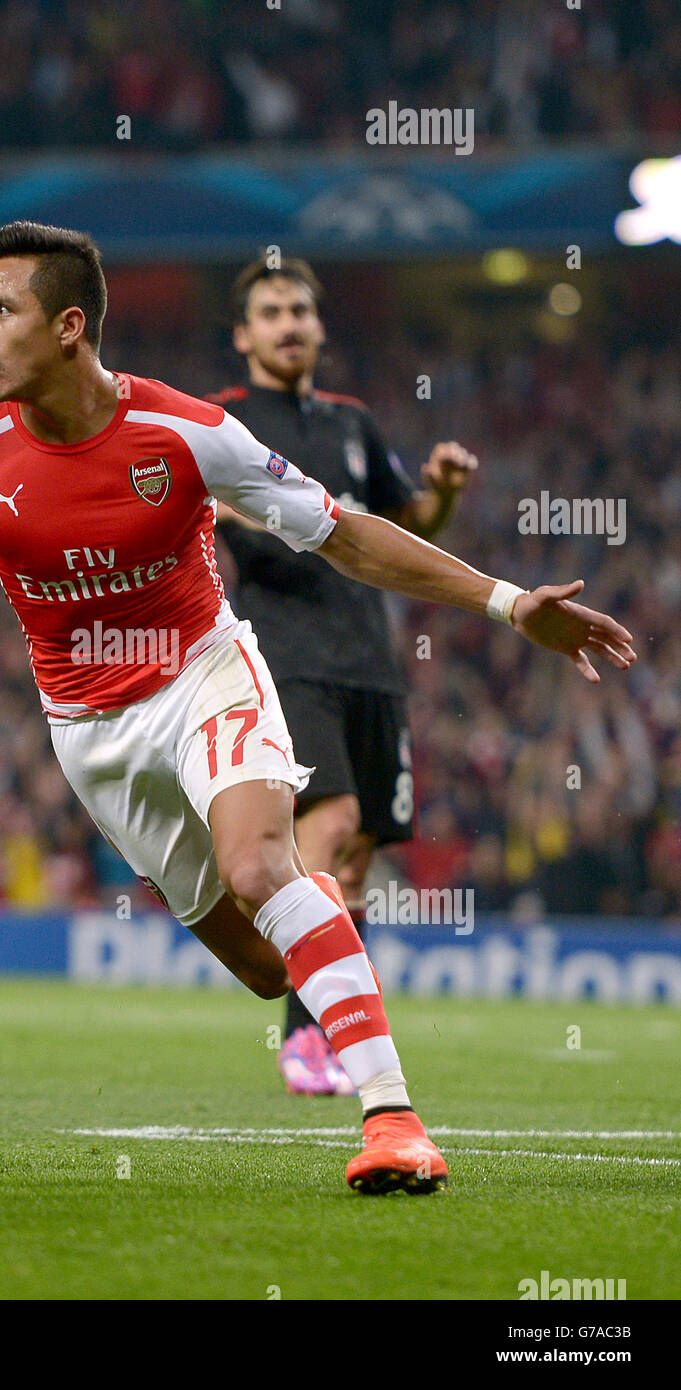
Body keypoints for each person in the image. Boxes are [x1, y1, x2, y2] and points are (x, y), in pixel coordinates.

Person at [0, 223, 636, 1194]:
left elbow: (344, 534)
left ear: (68, 326)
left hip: (206, 672)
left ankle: (393, 1119)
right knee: (258, 965)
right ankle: (322, 951)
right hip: (92, 736)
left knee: (262, 865)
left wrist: (509, 603)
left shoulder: (186, 431)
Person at [210, 255, 477, 1096]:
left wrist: (440, 495)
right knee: (326, 830)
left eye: (299, 309)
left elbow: (407, 526)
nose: (288, 323)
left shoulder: (354, 425)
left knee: (355, 857)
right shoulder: (222, 424)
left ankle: (325, 1031)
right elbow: (192, 506)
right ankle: (302, 1040)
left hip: (370, 663)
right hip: (286, 660)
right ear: (243, 333)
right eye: (271, 311)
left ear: (319, 327)